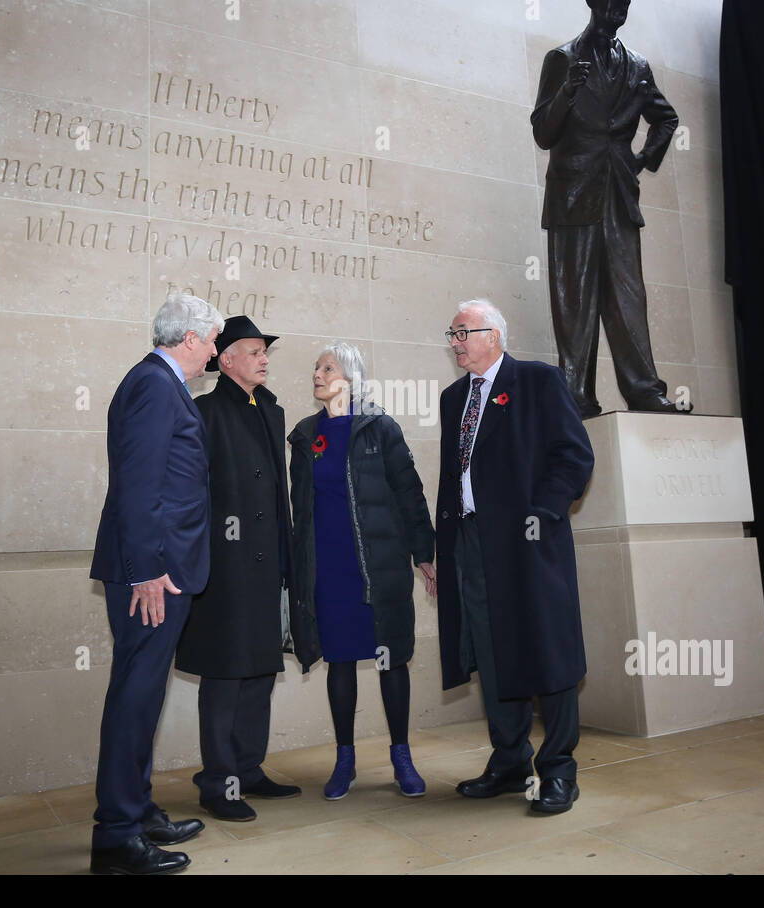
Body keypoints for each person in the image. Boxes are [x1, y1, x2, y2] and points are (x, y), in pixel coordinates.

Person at [435, 299, 595, 814]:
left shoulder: (539, 382)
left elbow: (574, 454)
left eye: (465, 332)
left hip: (530, 543)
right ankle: (508, 763)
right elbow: (455, 474)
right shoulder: (453, 397)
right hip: (471, 543)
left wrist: (543, 512)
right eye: (453, 333)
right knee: (492, 650)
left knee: (547, 649)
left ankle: (558, 771)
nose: (456, 341)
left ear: (495, 336)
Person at [88, 292, 224, 875]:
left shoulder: (162, 385)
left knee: (144, 696)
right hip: (153, 574)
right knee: (135, 696)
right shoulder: (152, 385)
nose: (215, 351)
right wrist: (145, 569)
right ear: (189, 339)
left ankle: (137, 811)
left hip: (163, 569)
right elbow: (138, 487)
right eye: (213, 339)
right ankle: (116, 835)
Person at [531, 0, 684, 415]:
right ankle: (576, 396)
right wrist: (567, 94)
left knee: (626, 295)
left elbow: (666, 117)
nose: (624, 1)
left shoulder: (637, 65)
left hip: (618, 195)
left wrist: (640, 160)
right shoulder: (561, 59)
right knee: (574, 299)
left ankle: (645, 391)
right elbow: (542, 131)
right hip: (572, 195)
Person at [287, 343, 437, 799]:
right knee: (340, 661)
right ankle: (345, 759)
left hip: (379, 564)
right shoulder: (303, 435)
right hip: (328, 570)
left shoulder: (380, 429)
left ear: (349, 378)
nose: (317, 371)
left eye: (327, 366)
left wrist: (424, 552)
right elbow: (298, 509)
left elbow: (409, 492)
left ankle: (401, 757)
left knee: (391, 658)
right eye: (316, 366)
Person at [175, 316, 302, 821]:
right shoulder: (203, 411)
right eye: (254, 351)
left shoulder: (270, 410)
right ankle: (218, 782)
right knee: (225, 676)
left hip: (267, 564)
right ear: (225, 359)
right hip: (224, 570)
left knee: (260, 673)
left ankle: (248, 769)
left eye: (264, 351)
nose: (264, 358)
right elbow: (189, 493)